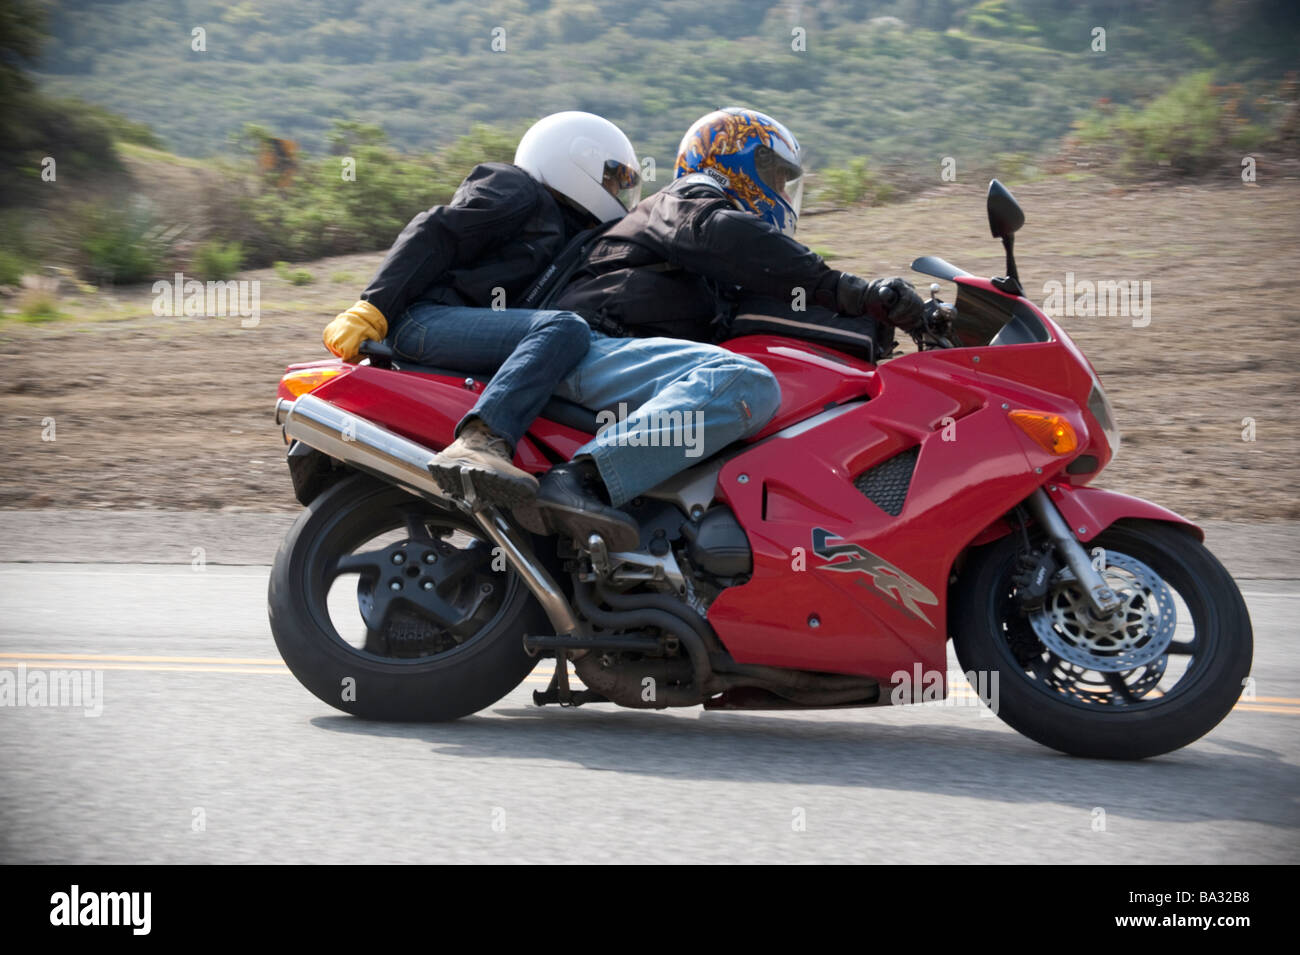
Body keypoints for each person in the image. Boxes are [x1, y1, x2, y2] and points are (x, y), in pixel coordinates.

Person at [320, 111, 643, 506]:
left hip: (459, 328)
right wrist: (372, 307)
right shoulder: (518, 189)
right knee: (564, 329)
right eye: (611, 179)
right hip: (426, 320)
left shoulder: (570, 230)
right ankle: (481, 442)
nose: (617, 192)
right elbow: (435, 232)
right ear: (576, 160)